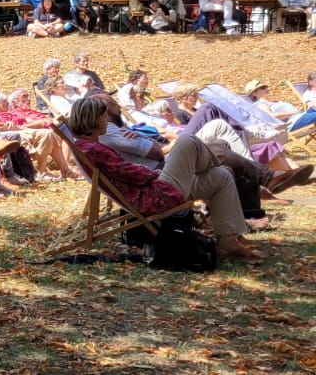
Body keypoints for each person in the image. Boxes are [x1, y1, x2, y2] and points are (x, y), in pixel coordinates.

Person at [64, 97, 261, 260]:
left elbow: (127, 171)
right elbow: (130, 173)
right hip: (154, 195)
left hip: (153, 189)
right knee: (187, 141)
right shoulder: (92, 150)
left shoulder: (89, 147)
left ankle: (227, 241)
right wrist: (156, 173)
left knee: (221, 176)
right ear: (91, 120)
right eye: (103, 116)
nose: (107, 120)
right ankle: (215, 164)